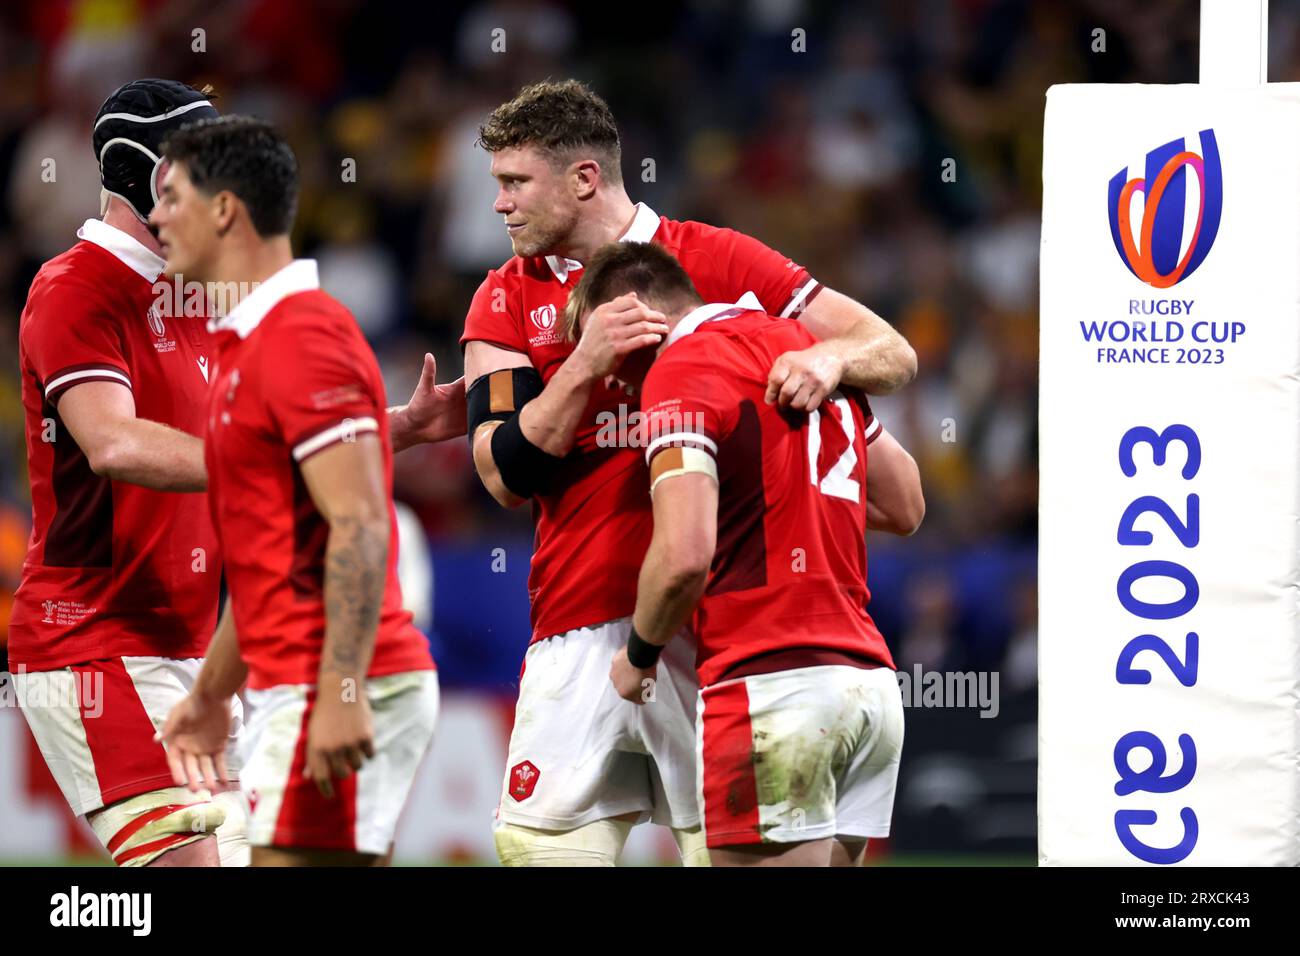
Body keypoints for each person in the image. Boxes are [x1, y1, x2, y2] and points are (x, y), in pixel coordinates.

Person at [461, 79, 917, 866]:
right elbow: (504, 475)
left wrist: (829, 355)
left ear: (583, 178)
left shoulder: (721, 260)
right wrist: (584, 364)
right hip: (577, 629)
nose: (499, 205)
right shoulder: (503, 298)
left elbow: (893, 352)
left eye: (514, 183)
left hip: (714, 637)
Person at [579, 241, 924, 866]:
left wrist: (638, 654)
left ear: (634, 318)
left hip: (773, 685)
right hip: (866, 686)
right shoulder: (808, 353)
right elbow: (906, 503)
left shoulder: (680, 372)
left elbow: (684, 554)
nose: (605, 373)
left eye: (599, 341)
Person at [153, 116, 437, 866]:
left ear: (224, 210)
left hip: (334, 682)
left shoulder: (302, 337)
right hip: (301, 682)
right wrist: (212, 696)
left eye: (171, 195)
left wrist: (341, 694)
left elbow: (363, 525)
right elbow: (266, 567)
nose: (155, 217)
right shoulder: (248, 348)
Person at [10, 78, 248, 867]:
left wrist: (402, 429)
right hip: (91, 645)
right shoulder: (74, 288)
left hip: (189, 652)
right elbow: (111, 442)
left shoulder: (200, 294)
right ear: (154, 177)